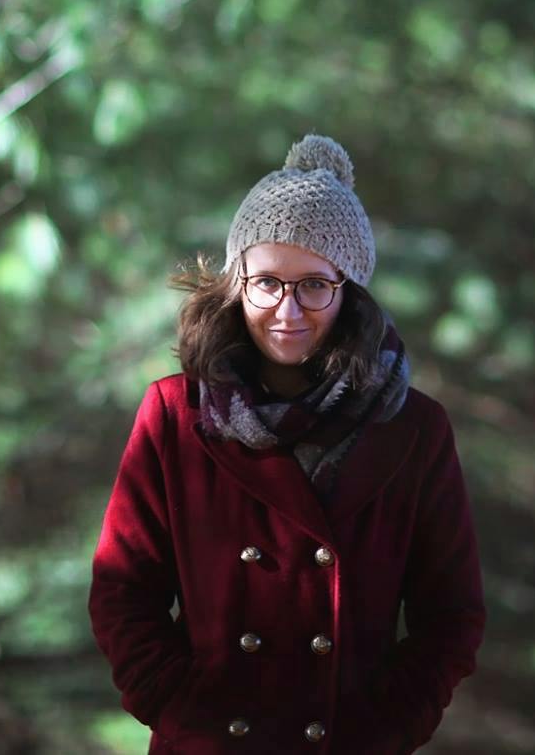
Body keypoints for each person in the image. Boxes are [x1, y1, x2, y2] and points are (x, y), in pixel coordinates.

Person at [89, 133, 485, 753]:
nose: (287, 309)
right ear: (237, 280)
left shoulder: (412, 429)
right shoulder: (174, 415)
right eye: (267, 281)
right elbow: (122, 596)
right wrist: (186, 716)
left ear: (348, 289)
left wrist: (385, 728)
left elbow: (451, 616)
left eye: (313, 285)